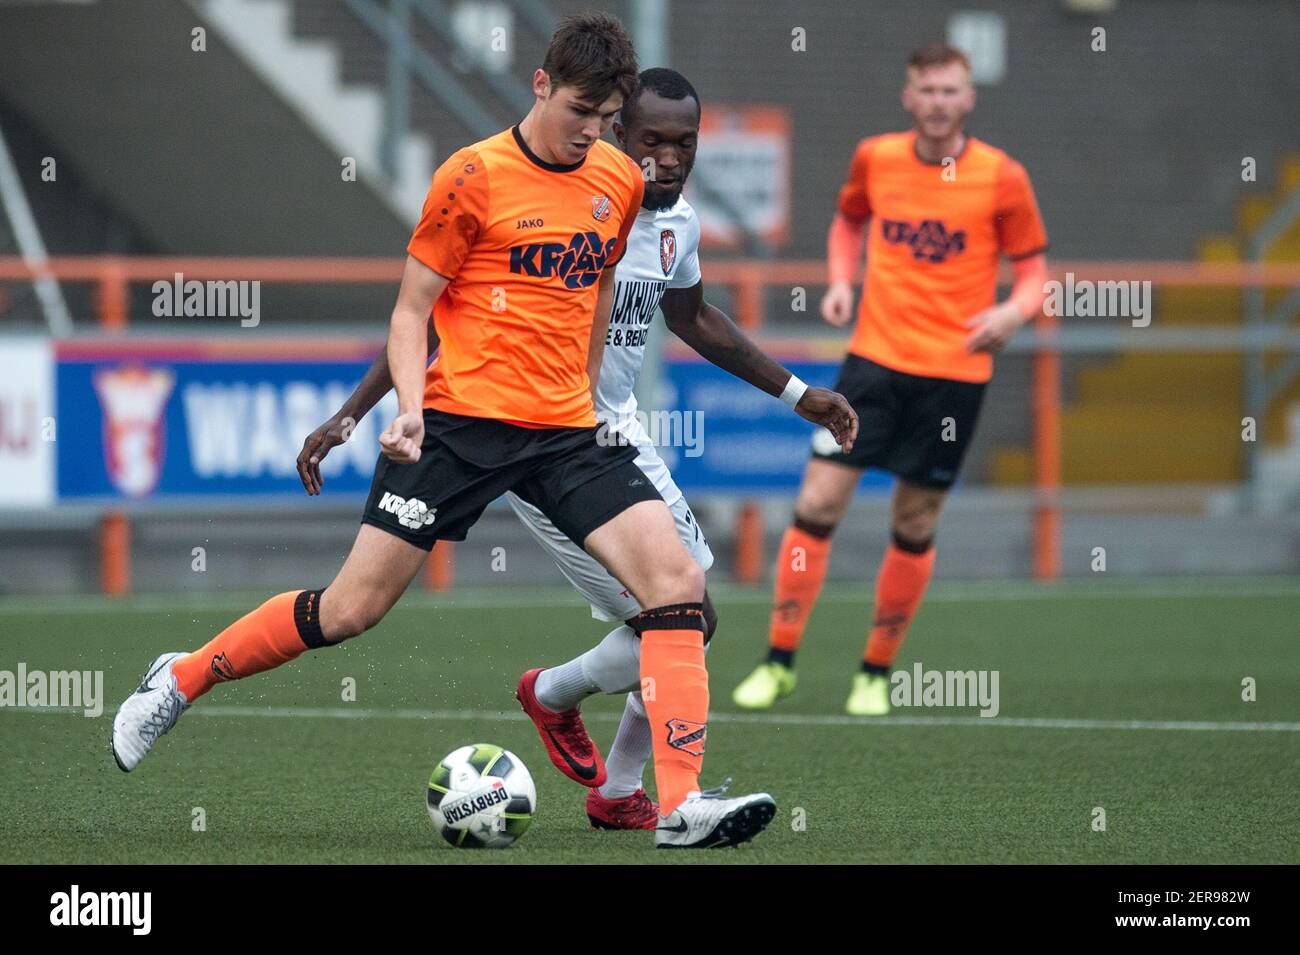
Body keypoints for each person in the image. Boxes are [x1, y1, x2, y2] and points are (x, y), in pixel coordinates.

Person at [111, 14, 850, 849]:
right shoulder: (473, 177)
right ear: (540, 86)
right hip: (459, 426)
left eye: (606, 120)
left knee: (678, 585)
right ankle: (178, 678)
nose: (592, 134)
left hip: (568, 432)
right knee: (351, 609)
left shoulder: (616, 180)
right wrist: (403, 411)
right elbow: (411, 311)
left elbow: (604, 286)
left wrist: (580, 386)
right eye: (579, 112)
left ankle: (674, 804)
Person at [297, 68, 858, 833]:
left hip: (616, 434)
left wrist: (799, 395)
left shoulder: (676, 222)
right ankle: (592, 733)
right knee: (678, 613)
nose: (666, 158)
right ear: (616, 137)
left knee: (689, 613)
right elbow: (435, 315)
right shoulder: (576, 204)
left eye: (683, 143)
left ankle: (604, 767)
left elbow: (694, 318)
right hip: (546, 438)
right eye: (649, 140)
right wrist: (354, 412)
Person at [732, 43, 1049, 717]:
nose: (938, 102)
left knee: (914, 519)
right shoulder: (875, 157)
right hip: (873, 363)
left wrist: (1013, 312)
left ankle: (875, 671)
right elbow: (848, 220)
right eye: (926, 90)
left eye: (950, 90)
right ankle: (778, 660)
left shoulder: (1002, 176)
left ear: (969, 98)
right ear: (909, 97)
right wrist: (843, 283)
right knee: (817, 503)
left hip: (955, 374)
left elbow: (1034, 271)